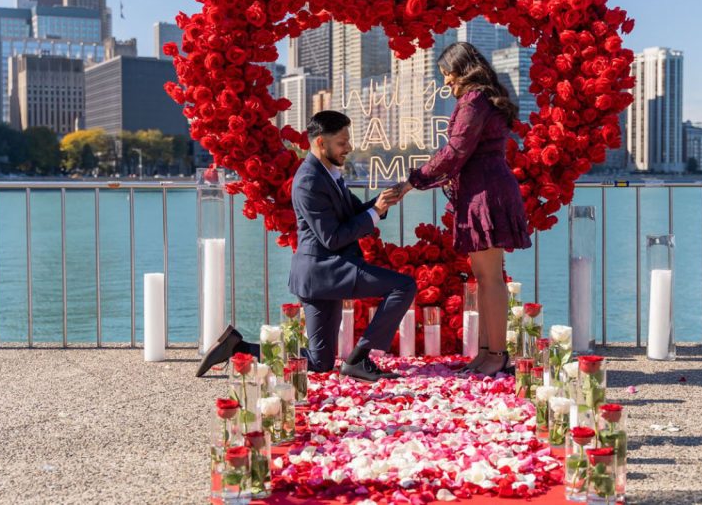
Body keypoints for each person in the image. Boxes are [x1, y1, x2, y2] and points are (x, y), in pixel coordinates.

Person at [196, 111, 415, 383]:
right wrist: (375, 212)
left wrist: (383, 202)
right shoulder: (309, 179)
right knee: (403, 286)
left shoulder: (327, 173)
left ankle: (238, 348)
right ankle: (359, 358)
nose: (349, 147)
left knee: (319, 362)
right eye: (342, 142)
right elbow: (332, 237)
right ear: (321, 143)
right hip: (326, 270)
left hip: (323, 273)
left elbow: (352, 213)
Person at [393, 41, 531, 376]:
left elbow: (455, 151)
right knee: (484, 278)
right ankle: (486, 353)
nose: (445, 82)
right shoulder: (481, 98)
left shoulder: (474, 100)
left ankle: (497, 354)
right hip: (483, 189)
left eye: (447, 74)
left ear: (463, 69)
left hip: (486, 191)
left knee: (490, 278)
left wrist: (411, 182)